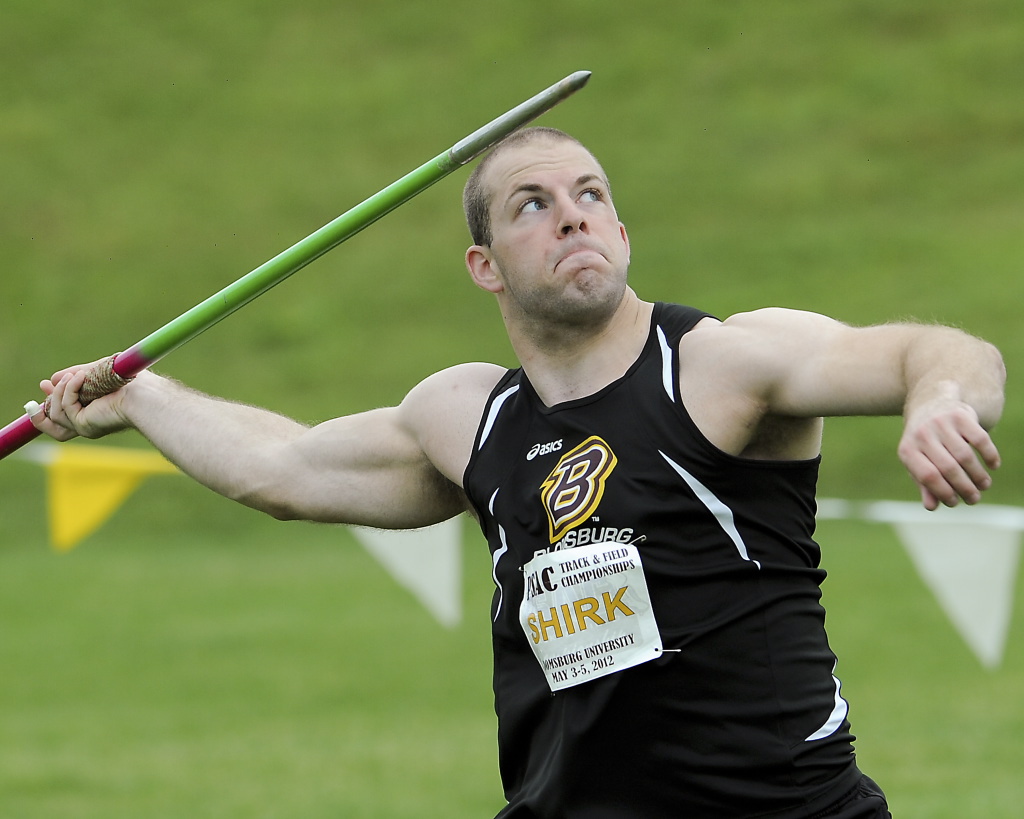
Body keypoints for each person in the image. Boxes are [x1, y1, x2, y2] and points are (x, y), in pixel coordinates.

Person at [31, 126, 1005, 818]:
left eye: (591, 196)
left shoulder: (720, 364)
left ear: (622, 234)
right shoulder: (468, 417)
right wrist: (142, 398)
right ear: (485, 265)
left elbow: (934, 351)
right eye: (532, 206)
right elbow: (282, 468)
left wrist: (939, 401)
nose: (572, 217)